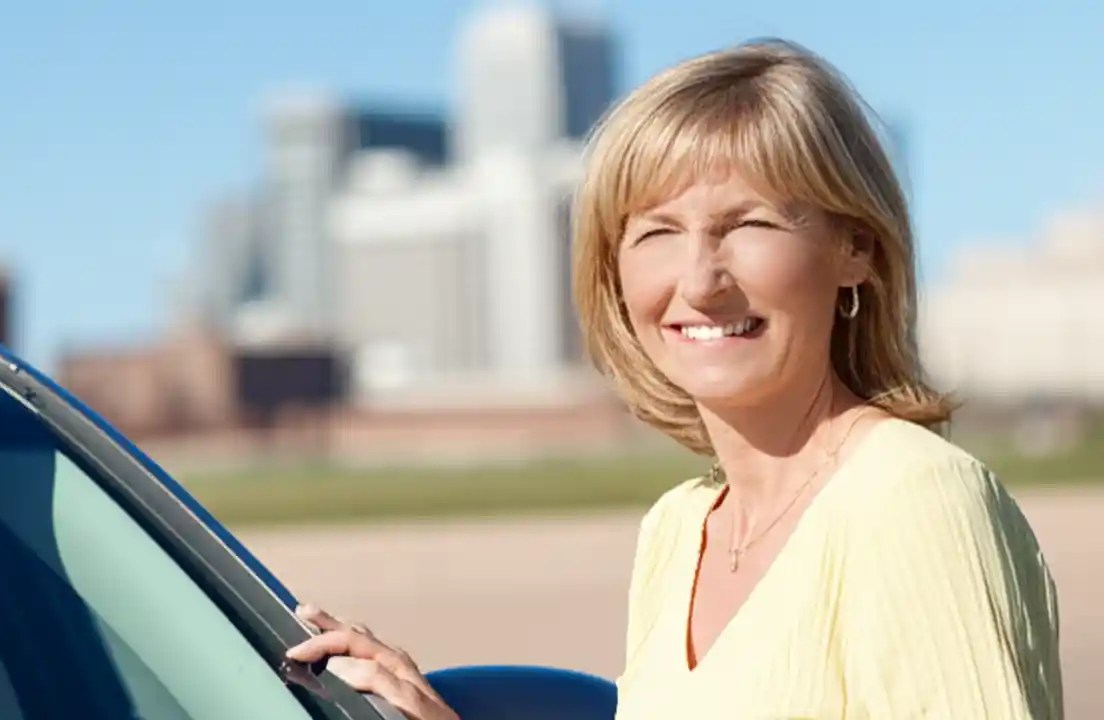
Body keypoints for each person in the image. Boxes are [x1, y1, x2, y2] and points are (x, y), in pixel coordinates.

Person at [286, 38, 1063, 719]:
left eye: (749, 224)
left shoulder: (915, 503)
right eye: (657, 232)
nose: (699, 282)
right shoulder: (678, 530)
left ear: (854, 247)